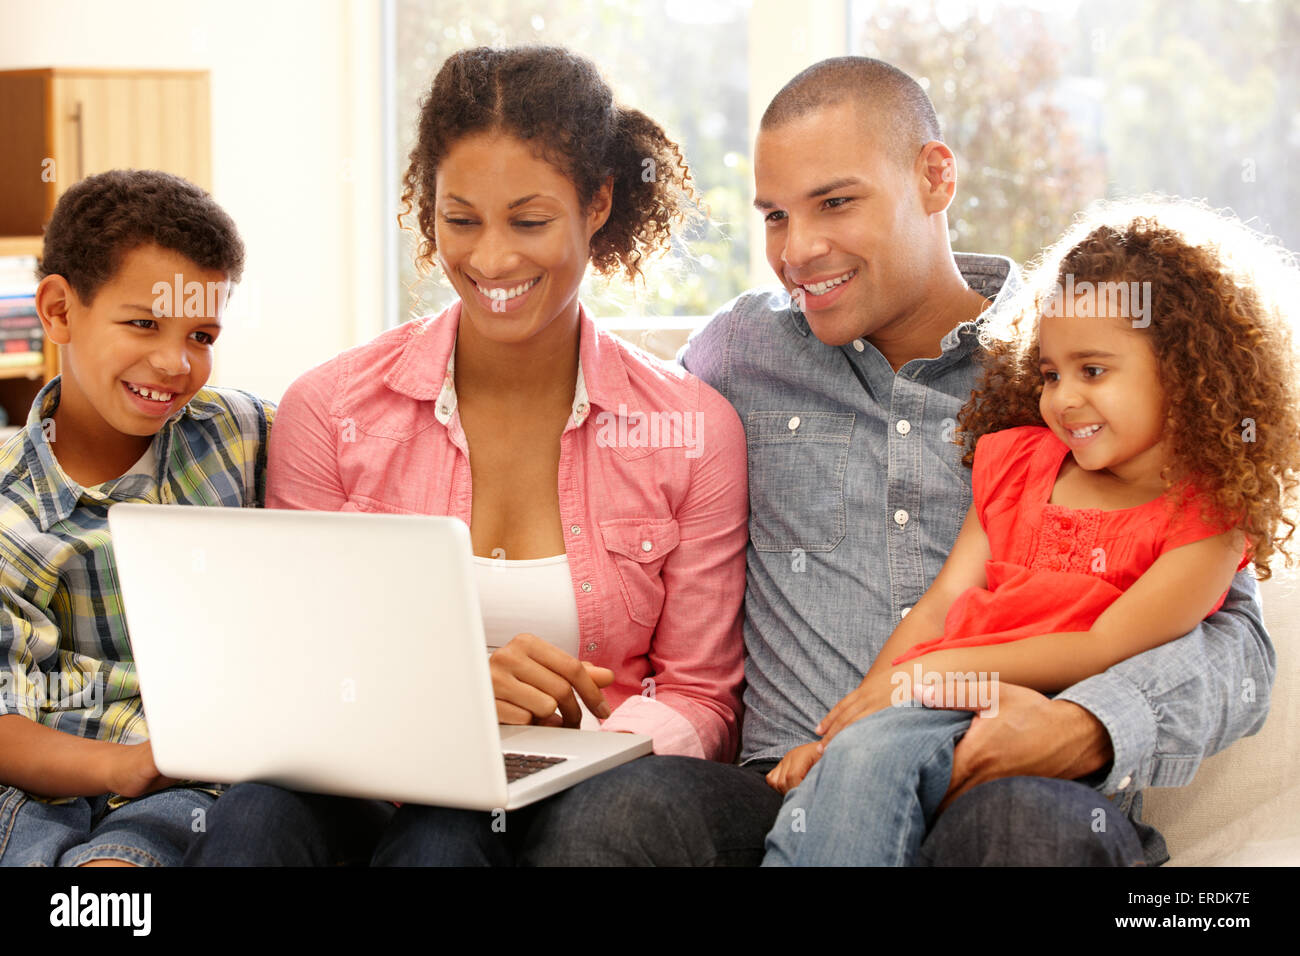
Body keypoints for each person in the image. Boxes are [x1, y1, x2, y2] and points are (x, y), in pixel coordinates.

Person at [533, 56, 1275, 866]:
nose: (800, 249)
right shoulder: (739, 355)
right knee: (617, 814)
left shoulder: (1068, 366)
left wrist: (1090, 725)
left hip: (1006, 779)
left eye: (836, 202)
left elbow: (1234, 640)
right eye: (775, 216)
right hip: (791, 781)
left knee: (1029, 835)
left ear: (935, 177)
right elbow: (604, 460)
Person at [183, 45, 748, 866]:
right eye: (460, 219)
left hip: (579, 787)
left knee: (440, 845)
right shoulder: (331, 408)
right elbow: (298, 670)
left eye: (529, 221)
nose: (490, 260)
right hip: (372, 775)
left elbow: (703, 698)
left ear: (597, 204)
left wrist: (570, 745)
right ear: (428, 210)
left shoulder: (690, 429)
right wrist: (444, 698)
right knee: (254, 820)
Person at [762, 199, 1300, 865]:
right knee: (856, 773)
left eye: (1093, 370)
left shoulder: (1206, 524)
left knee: (893, 776)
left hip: (1036, 731)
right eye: (1050, 373)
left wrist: (938, 674)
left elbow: (1102, 646)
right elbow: (941, 604)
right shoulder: (1021, 463)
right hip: (929, 703)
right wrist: (858, 716)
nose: (1063, 398)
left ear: (1186, 372)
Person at [0, 169, 274, 867]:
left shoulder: (240, 436)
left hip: (180, 784)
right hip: (30, 782)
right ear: (60, 311)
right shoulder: (10, 504)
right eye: (143, 324)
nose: (174, 363)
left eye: (202, 333)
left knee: (121, 870)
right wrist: (115, 767)